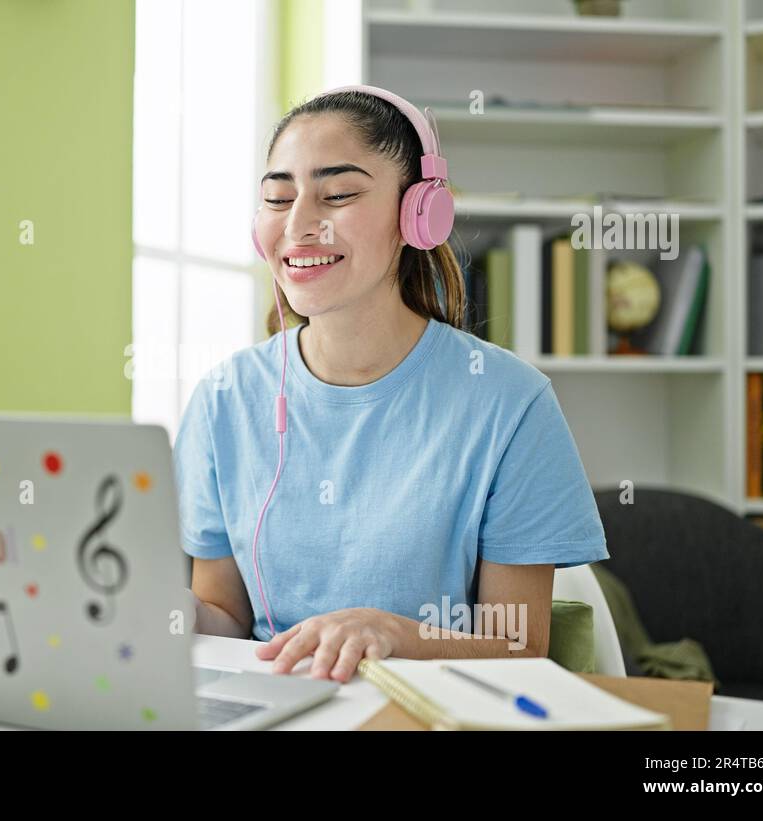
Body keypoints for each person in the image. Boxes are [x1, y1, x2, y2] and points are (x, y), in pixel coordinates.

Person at [173, 86, 608, 683]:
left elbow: (519, 649)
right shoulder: (223, 398)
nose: (299, 225)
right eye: (278, 198)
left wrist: (395, 633)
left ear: (418, 215)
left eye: (339, 194)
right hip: (277, 710)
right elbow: (224, 617)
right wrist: (167, 615)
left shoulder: (509, 402)